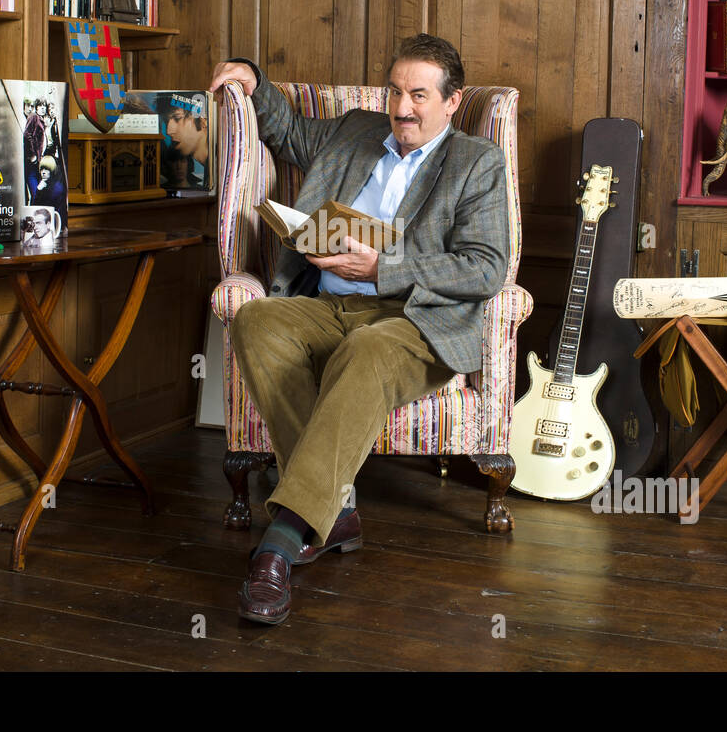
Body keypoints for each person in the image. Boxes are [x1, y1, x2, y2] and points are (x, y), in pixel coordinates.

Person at [207, 34, 509, 625]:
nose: (403, 108)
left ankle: (282, 541)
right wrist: (251, 77)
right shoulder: (354, 130)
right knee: (257, 318)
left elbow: (485, 269)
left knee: (367, 348)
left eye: (419, 95)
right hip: (326, 303)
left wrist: (384, 268)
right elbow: (289, 132)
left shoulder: (477, 162)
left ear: (453, 101)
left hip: (412, 321)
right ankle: (334, 509)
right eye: (395, 91)